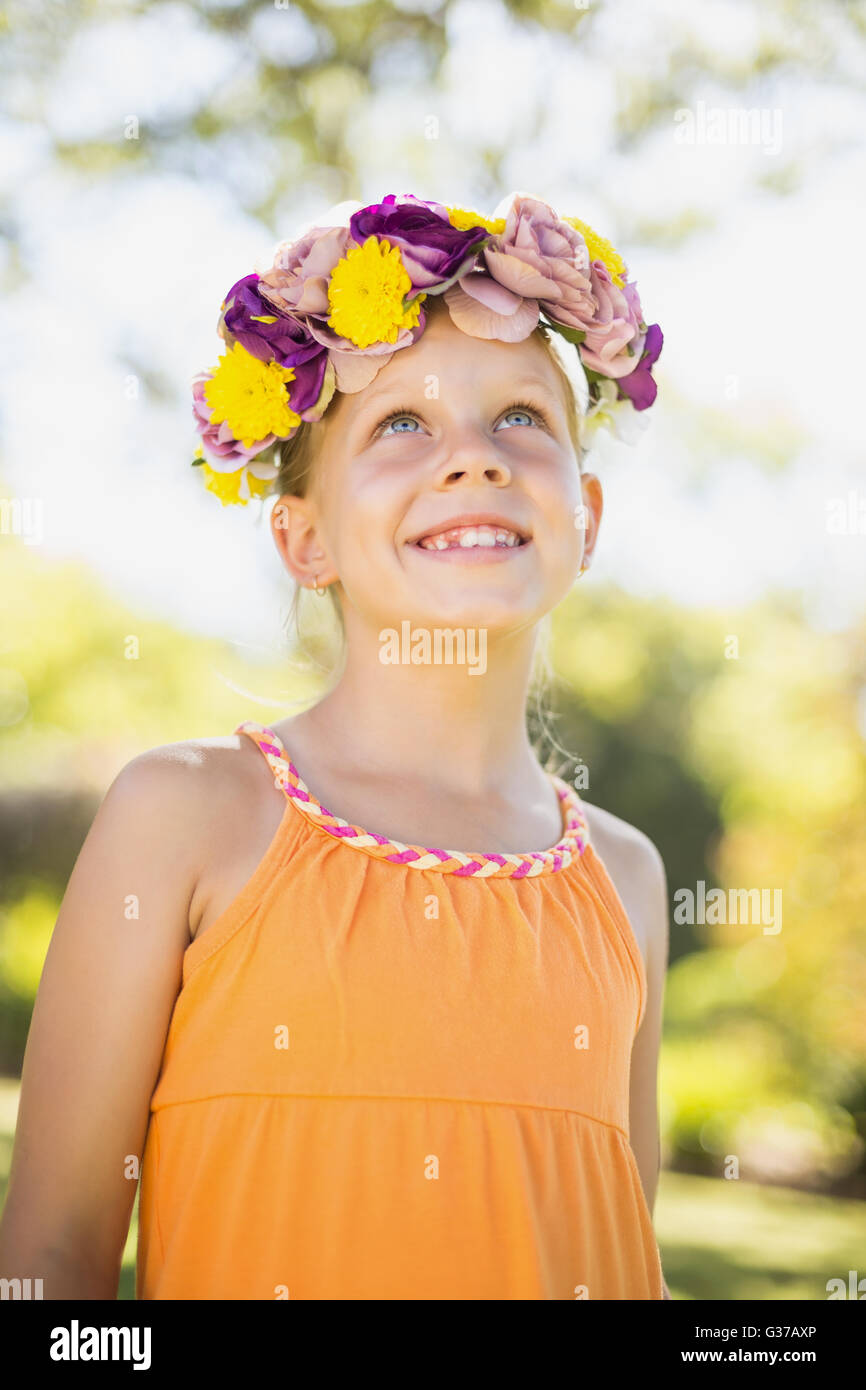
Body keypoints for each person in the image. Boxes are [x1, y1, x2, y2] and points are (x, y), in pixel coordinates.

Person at [0, 192, 671, 1299]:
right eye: (400, 423)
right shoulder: (184, 814)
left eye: (520, 418)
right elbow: (51, 1259)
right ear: (303, 537)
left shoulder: (626, 875)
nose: (474, 460)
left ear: (585, 517)